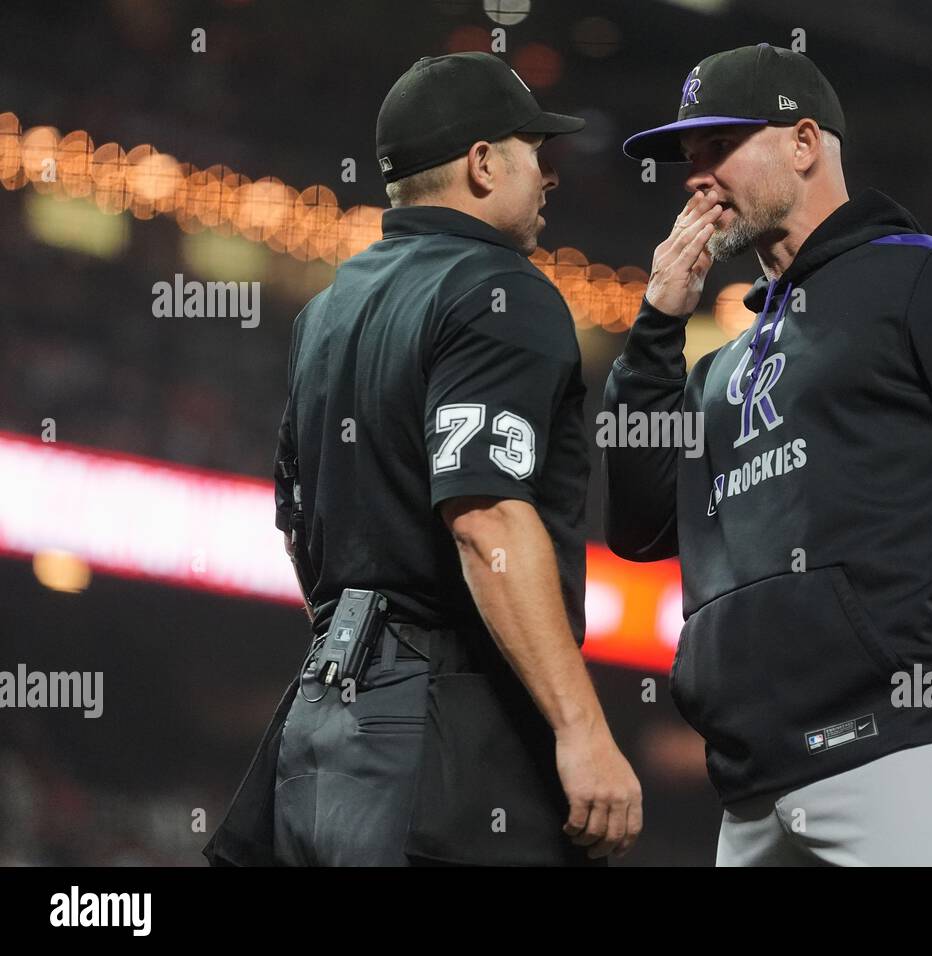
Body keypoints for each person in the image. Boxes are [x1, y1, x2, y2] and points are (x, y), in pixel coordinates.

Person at [605, 43, 932, 866]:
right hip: (753, 783)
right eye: (687, 160)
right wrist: (658, 326)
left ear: (805, 142)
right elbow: (637, 527)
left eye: (719, 149)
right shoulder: (722, 366)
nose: (695, 177)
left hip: (907, 748)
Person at [204, 52, 641, 867]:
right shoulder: (500, 291)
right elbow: (485, 518)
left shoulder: (332, 305)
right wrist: (582, 728)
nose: (549, 175)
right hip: (439, 725)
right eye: (532, 150)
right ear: (482, 163)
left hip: (321, 717)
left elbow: (294, 517)